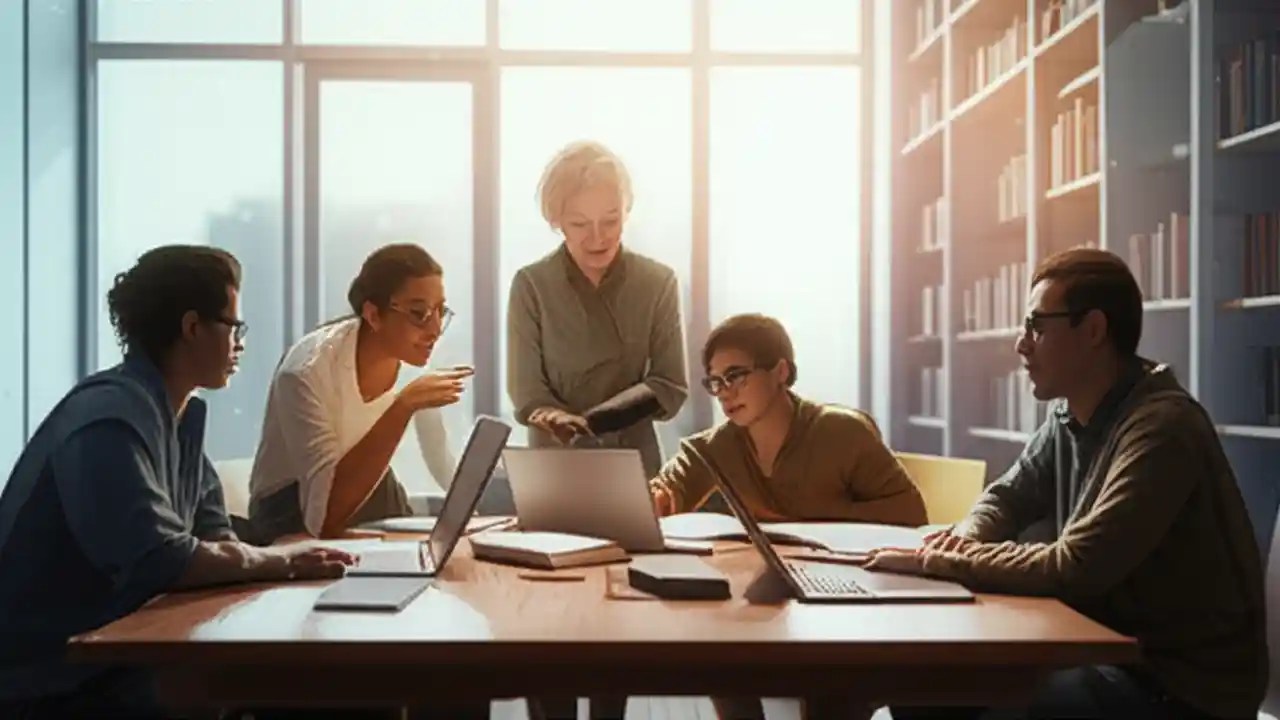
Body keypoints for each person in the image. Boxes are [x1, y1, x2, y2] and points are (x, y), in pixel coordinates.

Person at [869, 248, 1267, 720]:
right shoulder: (1069, 415)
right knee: (921, 699)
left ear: (1094, 330)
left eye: (1037, 326)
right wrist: (966, 535)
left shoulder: (1162, 428)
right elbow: (1007, 496)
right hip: (1107, 650)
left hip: (1179, 687)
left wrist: (942, 560)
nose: (1021, 344)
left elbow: (1077, 566)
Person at [0, 246, 355, 719]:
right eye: (234, 327)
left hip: (121, 654)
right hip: (54, 681)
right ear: (192, 327)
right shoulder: (108, 419)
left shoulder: (179, 418)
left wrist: (271, 563)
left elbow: (214, 534)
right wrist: (280, 562)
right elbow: (159, 558)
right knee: (313, 693)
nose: (241, 343)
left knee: (328, 689)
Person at [246, 244, 473, 543]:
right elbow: (322, 517)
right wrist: (403, 406)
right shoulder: (305, 372)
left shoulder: (412, 360)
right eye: (419, 314)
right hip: (289, 502)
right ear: (373, 315)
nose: (435, 330)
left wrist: (474, 517)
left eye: (440, 312)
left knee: (418, 535)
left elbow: (439, 456)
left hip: (365, 487)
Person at [507, 140, 688, 478]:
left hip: (633, 462)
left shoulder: (658, 281)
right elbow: (526, 391)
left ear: (627, 210)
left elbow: (670, 384)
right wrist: (554, 418)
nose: (597, 237)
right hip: (554, 465)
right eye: (579, 224)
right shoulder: (531, 285)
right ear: (556, 220)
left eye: (611, 220)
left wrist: (594, 421)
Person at [650, 313, 927, 526]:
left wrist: (812, 519)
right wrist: (657, 497)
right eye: (716, 382)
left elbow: (911, 512)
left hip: (851, 580)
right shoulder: (721, 445)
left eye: (736, 376)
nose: (725, 393)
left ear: (780, 371)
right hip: (775, 580)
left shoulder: (842, 431)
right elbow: (673, 481)